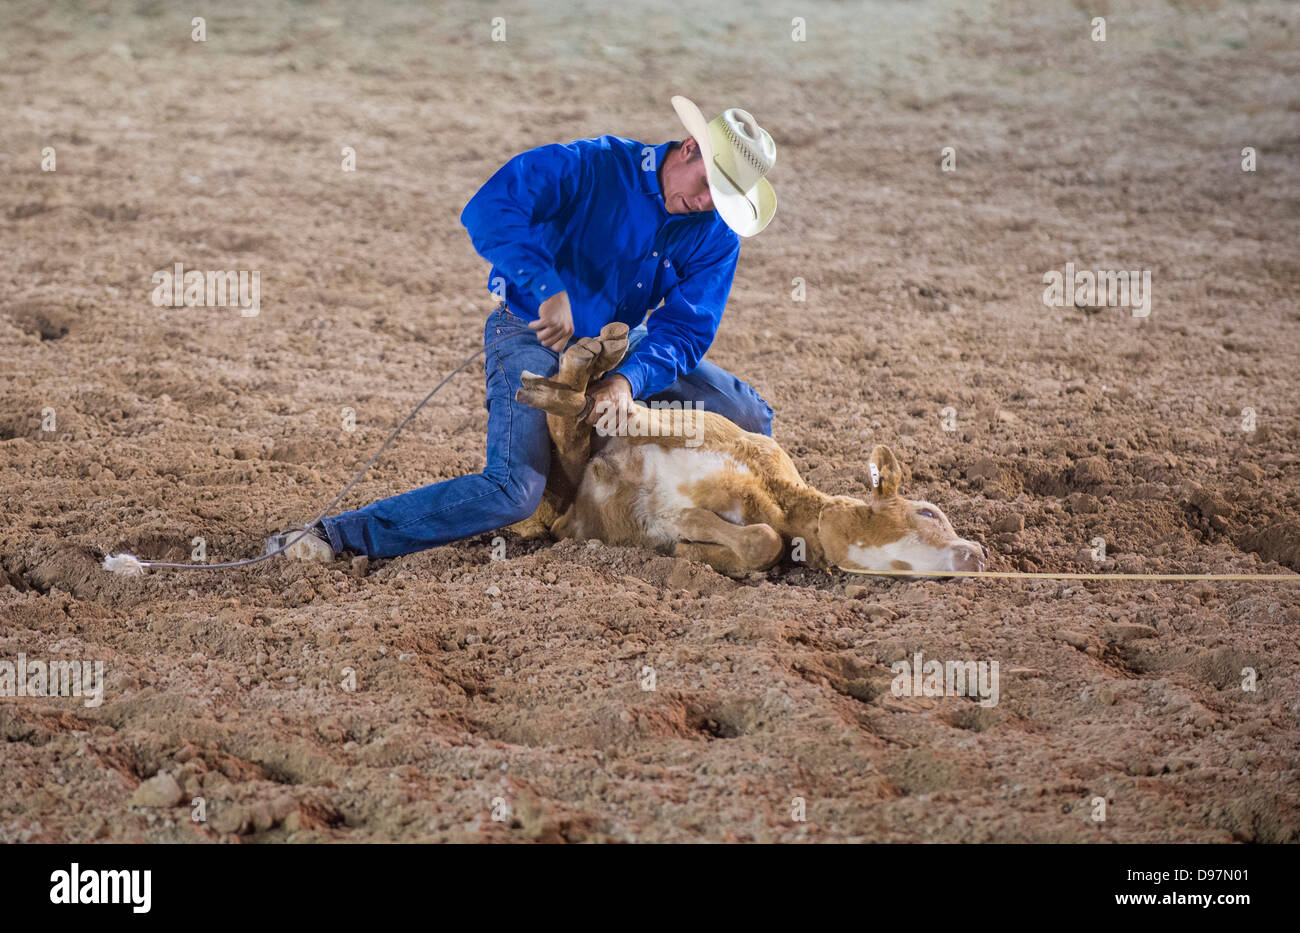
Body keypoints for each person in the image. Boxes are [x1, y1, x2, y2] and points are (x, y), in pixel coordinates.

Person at [271, 96, 778, 562]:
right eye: (711, 185)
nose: (710, 204)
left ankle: (714, 515)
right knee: (514, 490)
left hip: (617, 348)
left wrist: (628, 381)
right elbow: (490, 208)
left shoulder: (716, 232)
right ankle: (337, 534)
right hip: (529, 332)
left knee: (747, 414)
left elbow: (686, 329)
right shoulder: (596, 164)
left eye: (726, 197)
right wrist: (546, 287)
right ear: (689, 148)